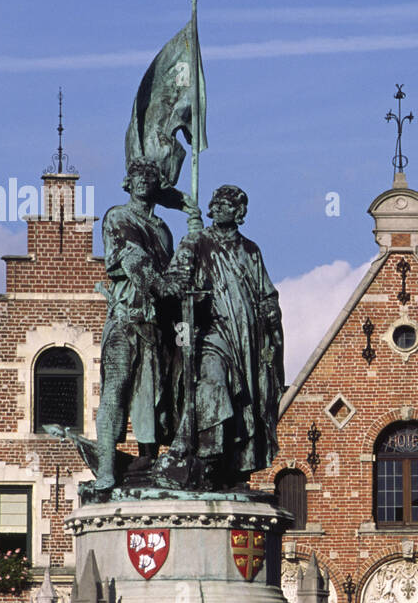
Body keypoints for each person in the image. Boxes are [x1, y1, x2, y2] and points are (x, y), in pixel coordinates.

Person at [161, 184, 284, 489]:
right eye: (214, 202)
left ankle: (234, 467)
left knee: (247, 402)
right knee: (213, 385)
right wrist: (179, 290)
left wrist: (271, 316)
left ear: (239, 213)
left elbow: (266, 293)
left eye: (225, 204)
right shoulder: (195, 242)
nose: (216, 207)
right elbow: (176, 280)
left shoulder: (251, 250)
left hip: (246, 339)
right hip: (209, 332)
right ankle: (208, 458)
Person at [92, 159, 187, 490]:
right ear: (127, 182)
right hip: (125, 317)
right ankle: (106, 467)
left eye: (150, 176)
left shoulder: (163, 229)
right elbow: (134, 260)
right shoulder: (118, 216)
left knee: (152, 395)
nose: (144, 180)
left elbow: (172, 270)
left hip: (155, 324)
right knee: (116, 389)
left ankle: (149, 458)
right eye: (137, 176)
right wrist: (163, 286)